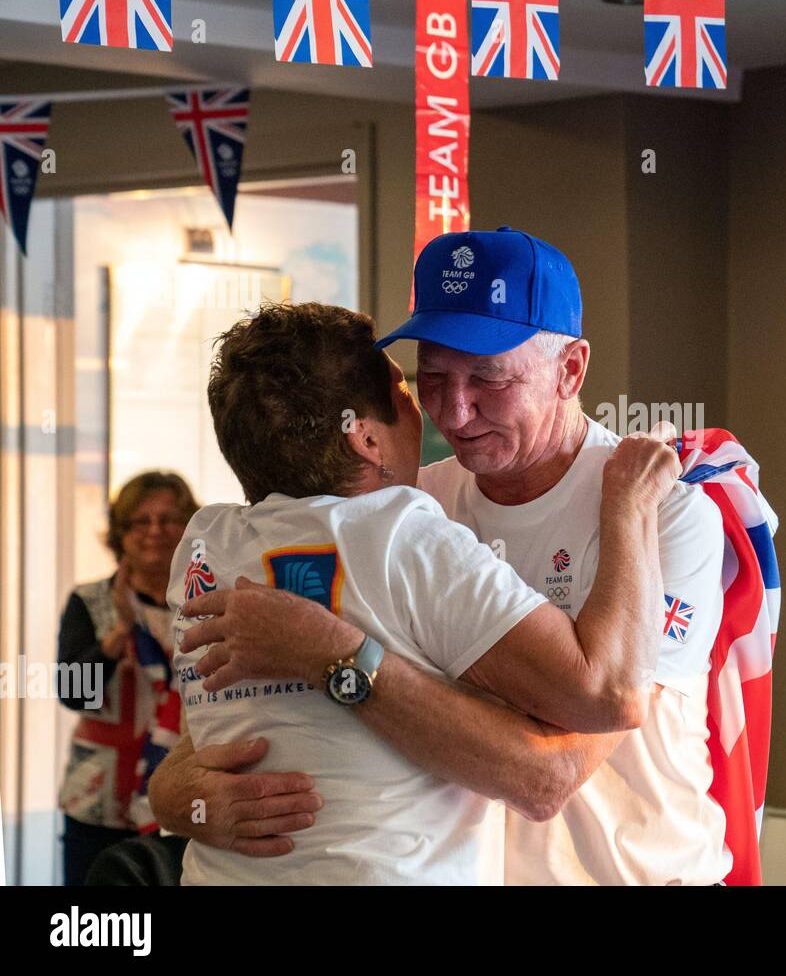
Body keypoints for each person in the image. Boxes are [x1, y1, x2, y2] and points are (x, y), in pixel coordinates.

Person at [152, 227, 733, 885]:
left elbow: (553, 771)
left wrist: (332, 657)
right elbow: (226, 728)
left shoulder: (662, 513)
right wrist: (185, 799)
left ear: (571, 369)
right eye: (430, 377)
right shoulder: (402, 506)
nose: (454, 412)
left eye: (490, 378)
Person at [56, 470, 198, 886]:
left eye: (170, 520)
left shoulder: (204, 598)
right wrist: (119, 634)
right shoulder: (90, 600)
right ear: (122, 534)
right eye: (141, 521)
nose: (155, 531)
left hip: (181, 799)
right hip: (100, 802)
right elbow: (73, 693)